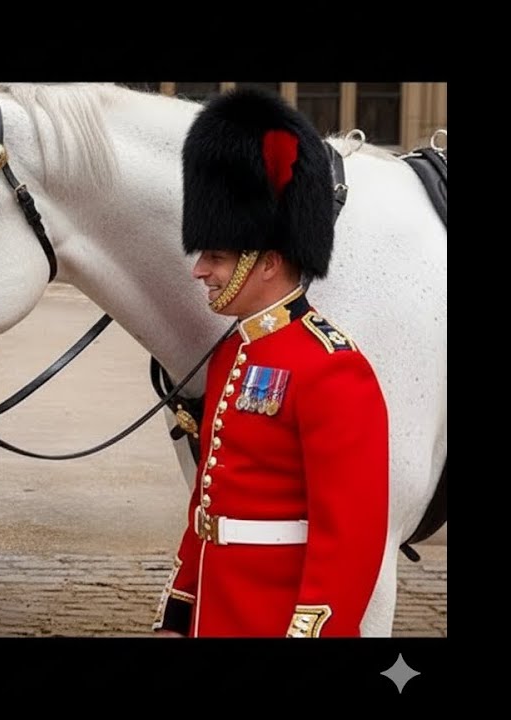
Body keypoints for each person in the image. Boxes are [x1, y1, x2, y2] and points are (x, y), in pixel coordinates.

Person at [151, 87, 389, 638]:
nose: (200, 271)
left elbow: (349, 537)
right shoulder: (232, 353)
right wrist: (180, 609)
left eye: (216, 256)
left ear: (268, 261)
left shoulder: (333, 368)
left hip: (275, 619)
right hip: (217, 610)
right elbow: (206, 506)